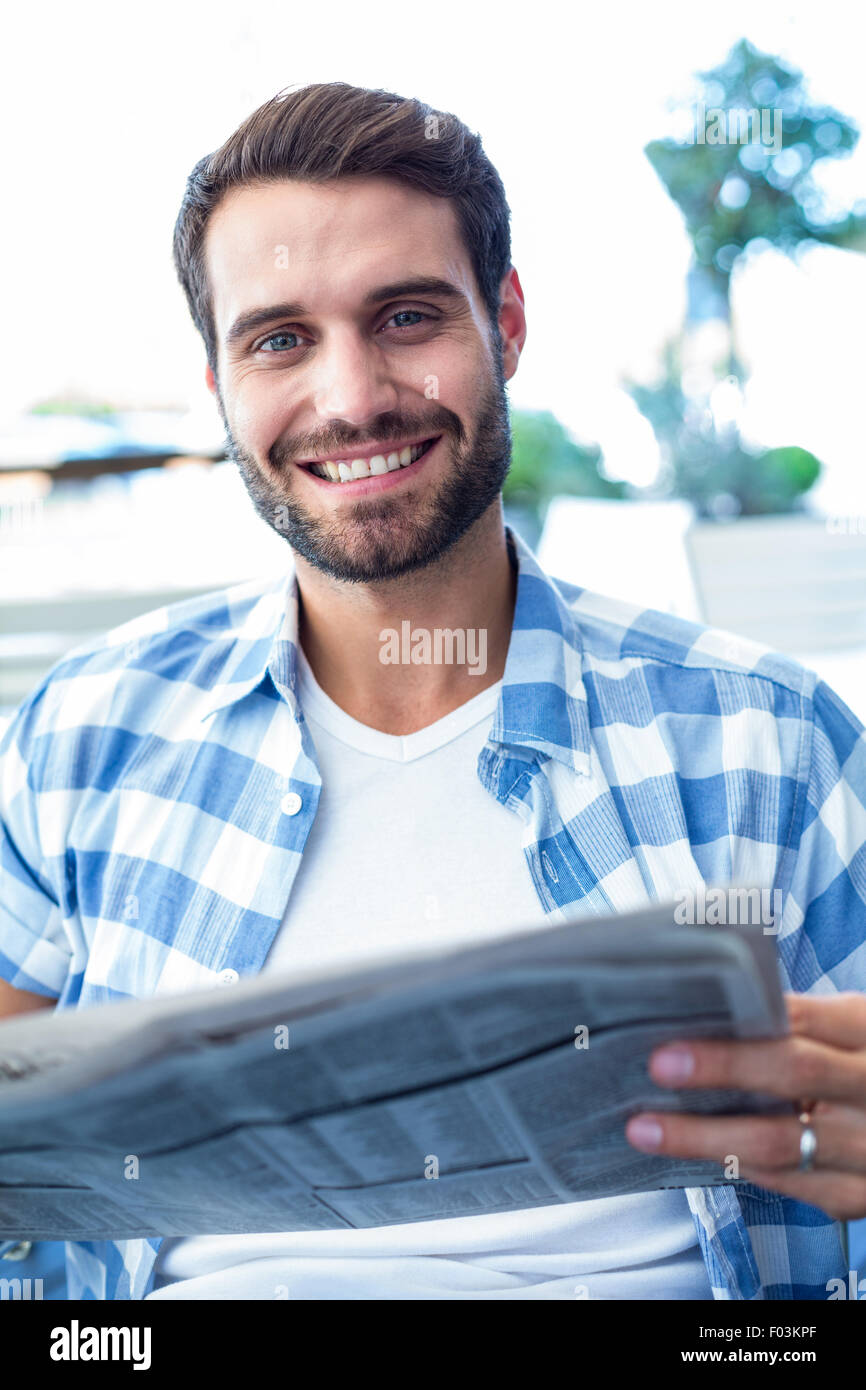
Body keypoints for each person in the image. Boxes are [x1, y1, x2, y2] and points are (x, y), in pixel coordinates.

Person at [1, 81, 865, 1302]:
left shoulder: (773, 745)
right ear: (218, 382)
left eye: (405, 316)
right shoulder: (80, 739)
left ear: (504, 325)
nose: (350, 398)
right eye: (279, 338)